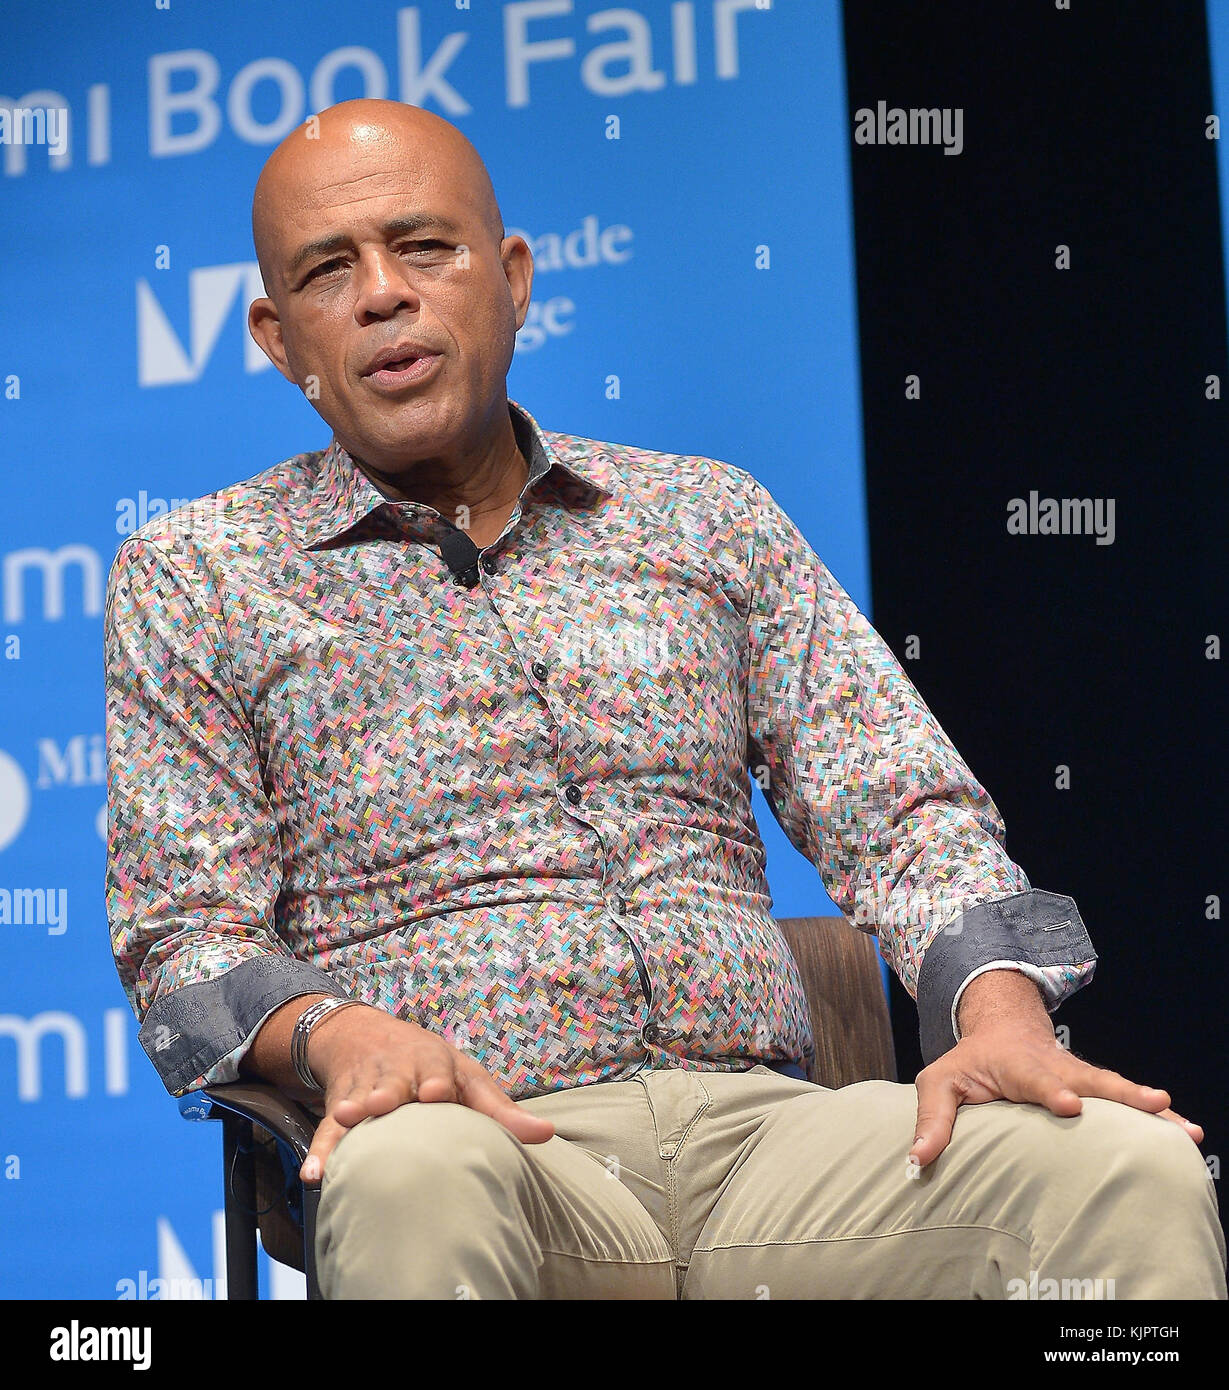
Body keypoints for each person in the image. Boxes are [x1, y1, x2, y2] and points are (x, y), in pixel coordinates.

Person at [104, 99, 1225, 1300]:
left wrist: (998, 1017)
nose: (383, 293)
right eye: (330, 271)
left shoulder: (706, 518)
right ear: (280, 339)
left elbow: (908, 816)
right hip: (484, 1141)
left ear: (512, 275)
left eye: (423, 246)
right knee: (407, 1173)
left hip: (779, 1153)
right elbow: (184, 935)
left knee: (1124, 1166)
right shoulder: (200, 575)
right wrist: (335, 1031)